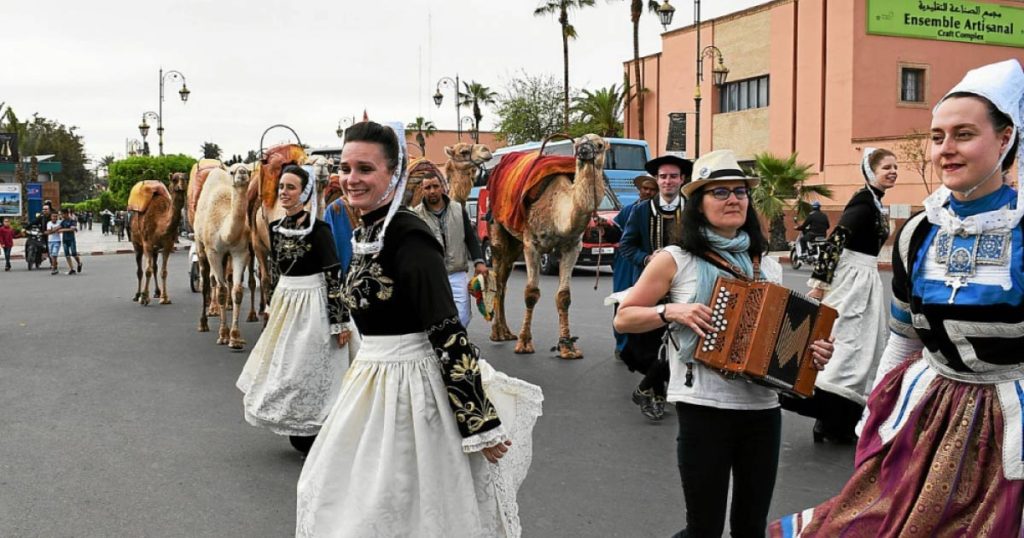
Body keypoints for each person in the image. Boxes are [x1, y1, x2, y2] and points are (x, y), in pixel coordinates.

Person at [771, 58, 1024, 537]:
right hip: (928, 416)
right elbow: (905, 339)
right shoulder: (919, 232)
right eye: (936, 137)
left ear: (1006, 138)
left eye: (964, 135)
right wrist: (876, 413)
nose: (945, 150)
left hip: (1012, 425)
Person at [296, 121, 542, 537]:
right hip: (371, 382)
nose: (351, 179)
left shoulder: (410, 237)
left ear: (394, 174)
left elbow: (446, 329)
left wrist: (478, 420)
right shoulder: (369, 229)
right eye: (345, 167)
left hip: (410, 390)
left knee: (396, 505)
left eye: (364, 169)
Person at [615, 149, 834, 538]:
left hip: (763, 409)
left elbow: (782, 333)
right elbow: (625, 316)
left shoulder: (765, 263)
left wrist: (811, 355)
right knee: (704, 529)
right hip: (704, 407)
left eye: (739, 191)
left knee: (750, 528)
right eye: (719, 192)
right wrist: (672, 313)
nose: (733, 199)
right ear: (698, 204)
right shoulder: (674, 259)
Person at [236, 164, 353, 455]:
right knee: (286, 366)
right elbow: (275, 270)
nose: (284, 193)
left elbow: (333, 273)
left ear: (305, 192)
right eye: (281, 188)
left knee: (311, 363)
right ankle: (296, 422)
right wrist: (271, 304)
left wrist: (339, 322)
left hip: (313, 302)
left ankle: (317, 428)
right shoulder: (275, 228)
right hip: (286, 302)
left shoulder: (319, 229)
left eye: (291, 188)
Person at [784, 147, 897, 444]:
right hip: (853, 279)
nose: (893, 171)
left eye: (895, 167)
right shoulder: (862, 203)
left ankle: (837, 418)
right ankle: (828, 417)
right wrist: (820, 283)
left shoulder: (874, 202)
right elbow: (836, 242)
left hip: (865, 278)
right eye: (886, 167)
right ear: (871, 171)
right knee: (846, 345)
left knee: (861, 347)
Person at [617, 154, 693, 420]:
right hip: (652, 287)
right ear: (657, 180)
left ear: (682, 179)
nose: (668, 181)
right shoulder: (641, 211)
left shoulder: (694, 209)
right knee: (650, 342)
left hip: (687, 287)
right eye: (663, 177)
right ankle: (656, 393)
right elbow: (627, 246)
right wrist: (649, 259)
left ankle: (647, 388)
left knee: (681, 341)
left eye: (673, 176)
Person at [412, 170, 488, 328]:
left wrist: (479, 262)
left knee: (463, 316)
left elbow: (470, 238)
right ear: (422, 190)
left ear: (442, 187)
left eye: (435, 186)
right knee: (435, 316)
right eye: (427, 188)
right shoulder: (416, 216)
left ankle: (455, 346)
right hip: (432, 276)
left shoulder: (458, 210)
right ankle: (444, 349)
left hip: (457, 273)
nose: (432, 191)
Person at [610, 174, 658, 357]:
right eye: (644, 188)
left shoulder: (659, 213)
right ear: (639, 190)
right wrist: (605, 229)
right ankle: (622, 345)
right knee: (622, 301)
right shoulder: (628, 210)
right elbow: (616, 236)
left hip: (649, 264)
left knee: (646, 305)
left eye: (651, 189)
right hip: (625, 263)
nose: (647, 191)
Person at [59, 208, 82, 275]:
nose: (61, 215)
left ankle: (79, 263)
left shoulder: (72, 221)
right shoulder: (63, 222)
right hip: (64, 240)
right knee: (67, 255)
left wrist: (62, 230)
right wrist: (51, 231)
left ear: (66, 213)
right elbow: (58, 227)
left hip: (71, 239)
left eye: (62, 214)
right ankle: (71, 269)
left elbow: (72, 229)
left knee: (74, 253)